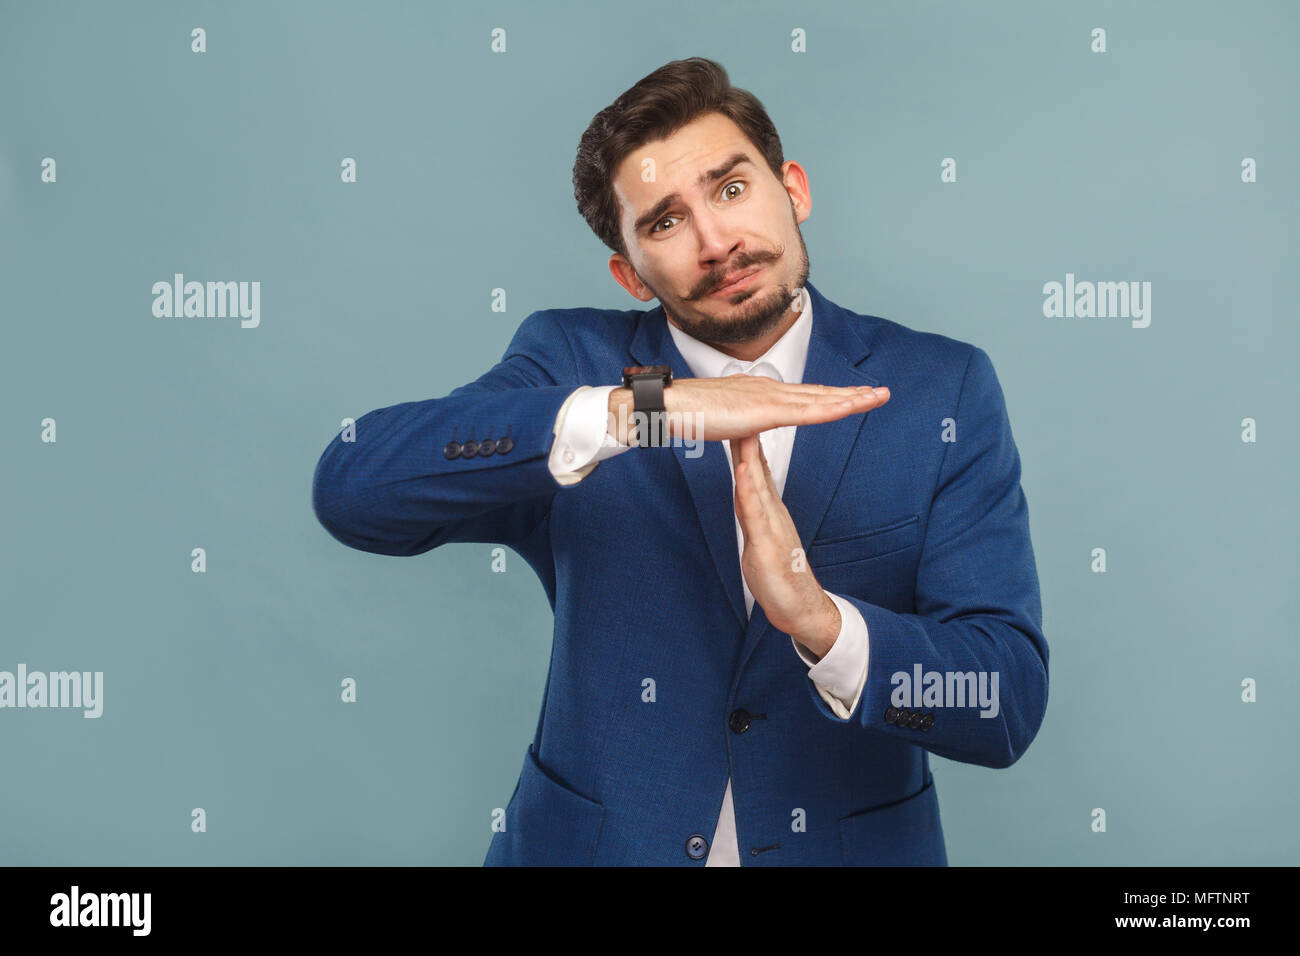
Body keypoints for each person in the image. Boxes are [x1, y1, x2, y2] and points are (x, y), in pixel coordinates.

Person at [311, 57, 1048, 865]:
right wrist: (642, 412)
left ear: (793, 189)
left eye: (731, 189)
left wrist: (822, 624)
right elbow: (353, 485)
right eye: (665, 222)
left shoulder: (941, 388)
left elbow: (1003, 701)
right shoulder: (571, 360)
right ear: (629, 273)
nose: (717, 241)